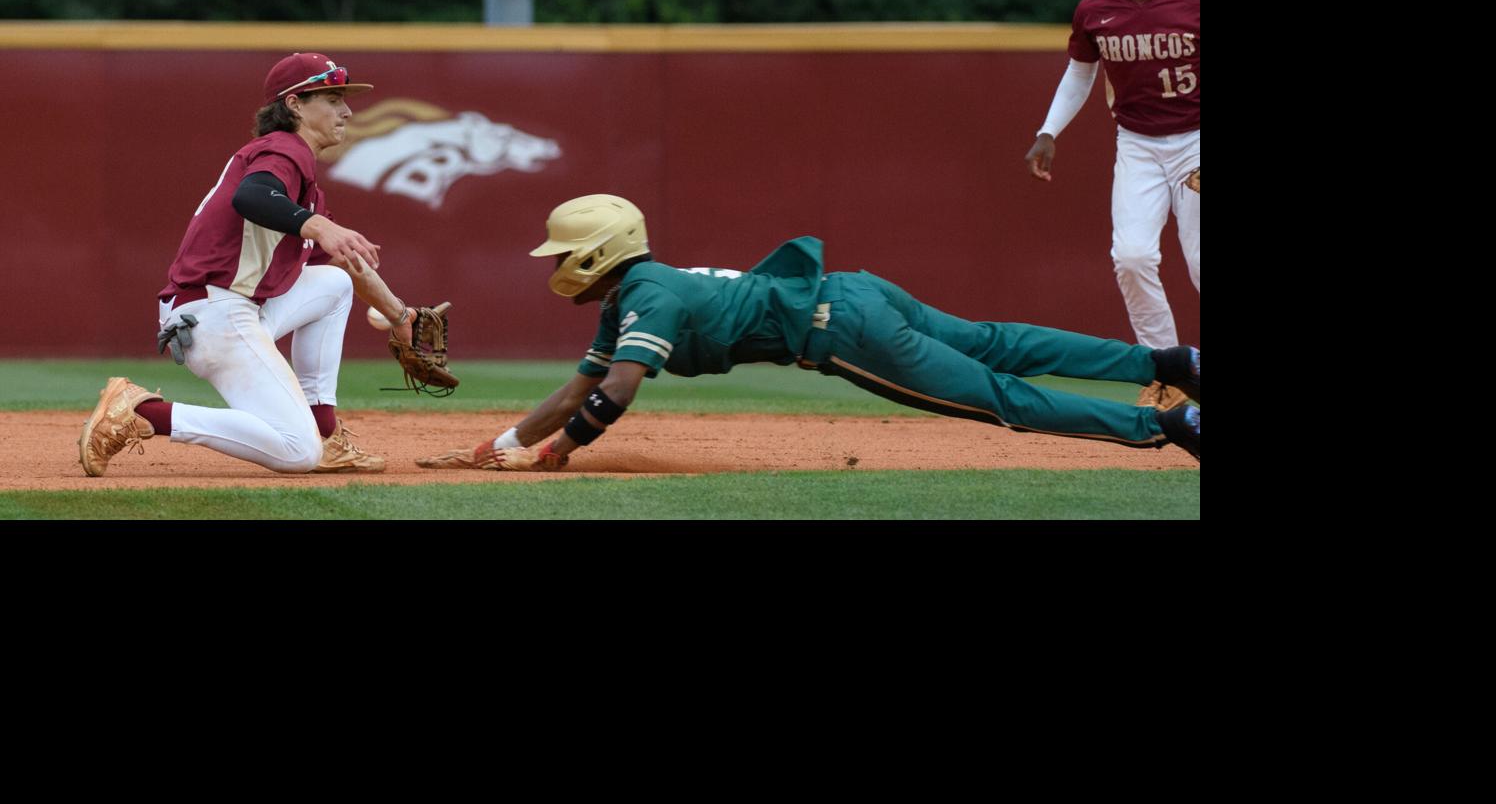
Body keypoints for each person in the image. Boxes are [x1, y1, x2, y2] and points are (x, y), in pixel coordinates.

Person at [418, 194, 1200, 473]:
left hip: (843, 331)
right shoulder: (636, 293)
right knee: (999, 343)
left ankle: (1167, 420)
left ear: (597, 254)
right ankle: (1170, 361)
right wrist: (511, 439)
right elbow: (580, 385)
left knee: (1000, 397)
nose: (558, 265)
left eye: (565, 253)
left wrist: (564, 449)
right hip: (854, 290)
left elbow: (614, 393)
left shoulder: (644, 299)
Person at [79, 52, 424, 477]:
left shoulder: (300, 180)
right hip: (211, 314)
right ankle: (144, 412)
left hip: (227, 308)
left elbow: (343, 262)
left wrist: (399, 314)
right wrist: (316, 225)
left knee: (333, 284)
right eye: (332, 98)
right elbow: (252, 197)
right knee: (298, 452)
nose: (347, 110)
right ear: (295, 104)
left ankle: (325, 432)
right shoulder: (284, 149)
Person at [1024, 0, 1199, 411]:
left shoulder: (1195, 0)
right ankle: (1169, 375)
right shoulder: (1095, 9)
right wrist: (1048, 132)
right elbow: (1081, 72)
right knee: (1132, 257)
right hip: (1138, 144)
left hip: (1196, 139)